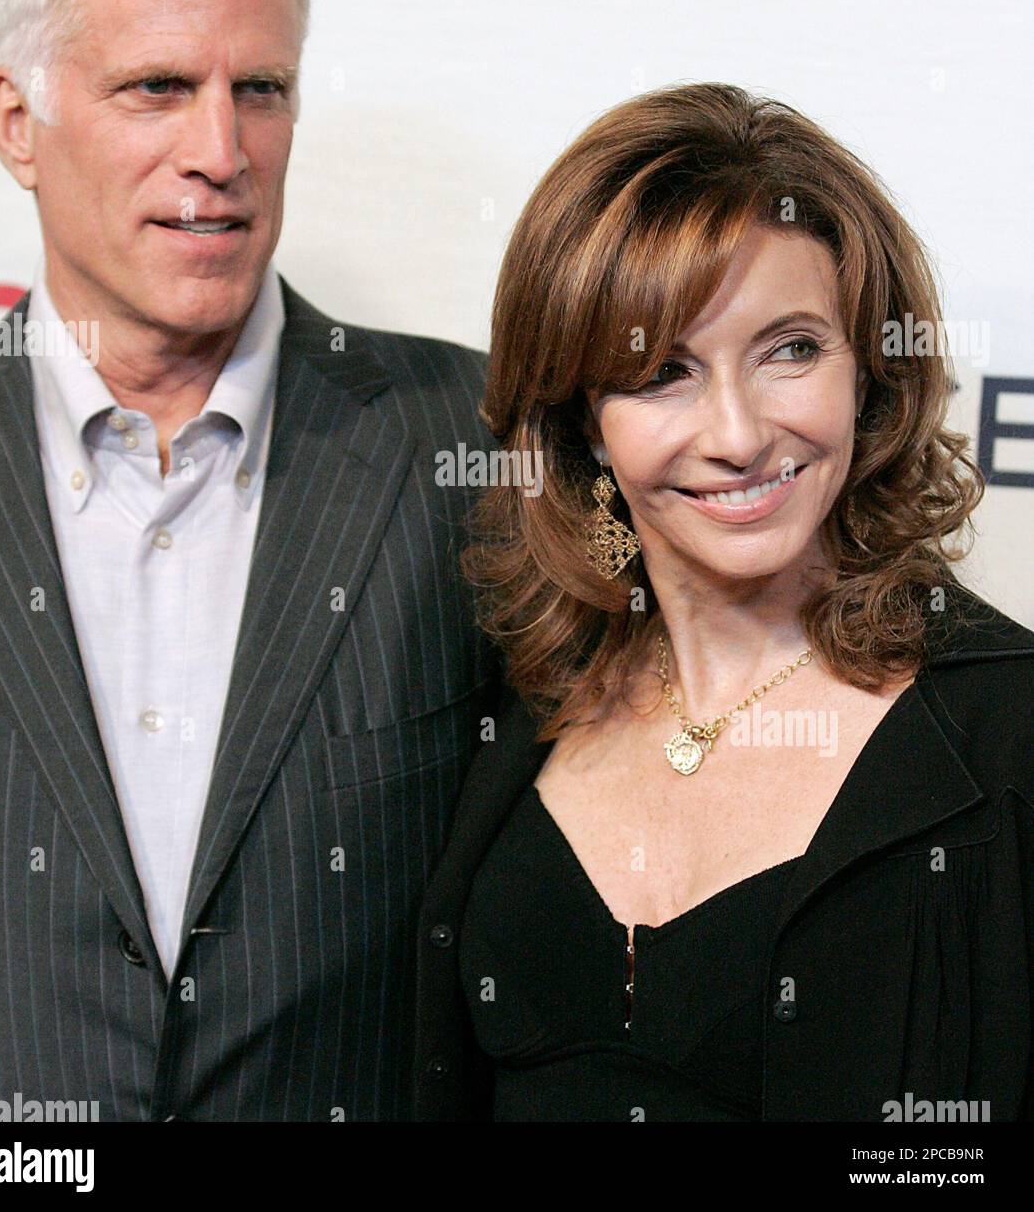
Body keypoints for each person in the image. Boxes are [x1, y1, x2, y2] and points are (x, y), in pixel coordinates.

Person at [0, 0, 501, 1121]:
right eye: (157, 87)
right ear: (18, 123)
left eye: (261, 88)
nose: (221, 149)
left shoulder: (472, 450)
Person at [411, 82, 1034, 1121]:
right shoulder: (529, 699)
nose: (737, 433)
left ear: (869, 372)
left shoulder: (1006, 738)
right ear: (578, 421)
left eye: (789, 348)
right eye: (661, 372)